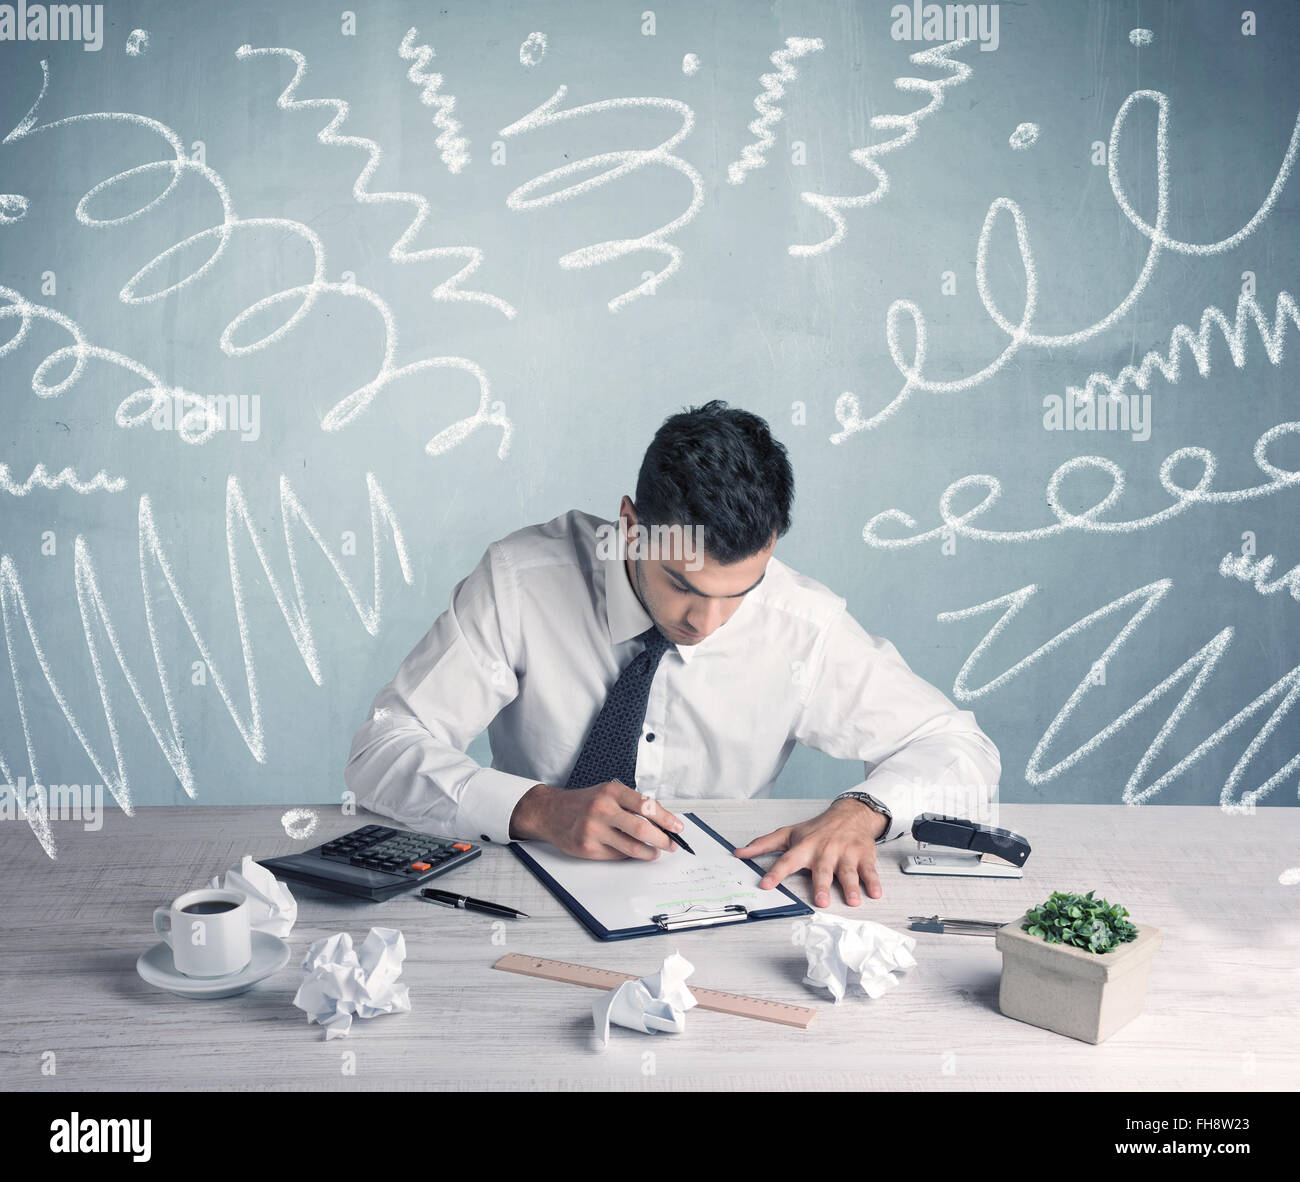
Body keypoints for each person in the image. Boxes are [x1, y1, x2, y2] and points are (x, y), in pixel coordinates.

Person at [345, 401, 1000, 906]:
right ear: (631, 526)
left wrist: (866, 811)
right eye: (682, 584)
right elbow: (383, 749)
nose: (707, 621)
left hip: (725, 907)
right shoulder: (523, 582)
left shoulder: (801, 623)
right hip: (521, 889)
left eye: (738, 592)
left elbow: (958, 747)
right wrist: (537, 808)